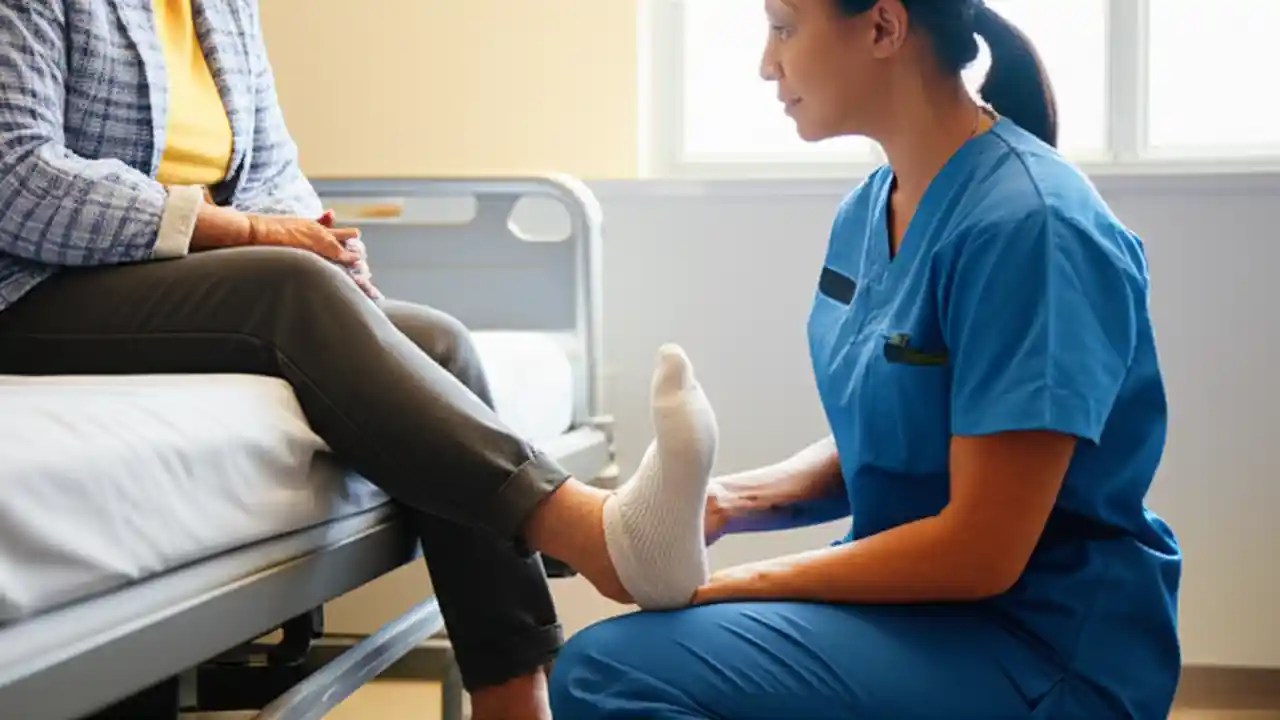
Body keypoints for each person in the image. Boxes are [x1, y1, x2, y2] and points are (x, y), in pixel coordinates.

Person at [0, 3, 725, 719]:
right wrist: (250, 232)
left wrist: (325, 247)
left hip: (178, 281)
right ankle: (587, 529)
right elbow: (18, 173)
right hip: (35, 287)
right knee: (291, 287)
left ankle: (513, 701)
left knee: (434, 342)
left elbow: (271, 169)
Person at [549, 0, 1181, 718]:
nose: (766, 64)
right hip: (925, 619)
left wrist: (727, 588)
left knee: (613, 671)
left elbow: (981, 550)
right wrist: (725, 504)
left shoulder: (1033, 226)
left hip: (1039, 647)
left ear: (884, 27)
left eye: (785, 27)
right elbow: (902, 434)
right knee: (618, 660)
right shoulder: (870, 209)